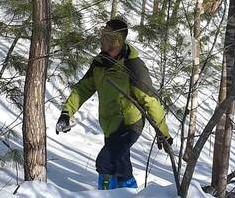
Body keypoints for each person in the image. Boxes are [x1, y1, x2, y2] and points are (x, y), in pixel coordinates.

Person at [55, 17, 172, 189]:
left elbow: (150, 100)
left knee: (105, 162)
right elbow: (82, 89)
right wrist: (66, 113)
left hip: (129, 125)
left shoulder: (134, 66)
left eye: (107, 37)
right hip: (110, 125)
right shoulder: (99, 63)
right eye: (103, 36)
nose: (102, 40)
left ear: (117, 41)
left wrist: (163, 132)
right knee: (121, 166)